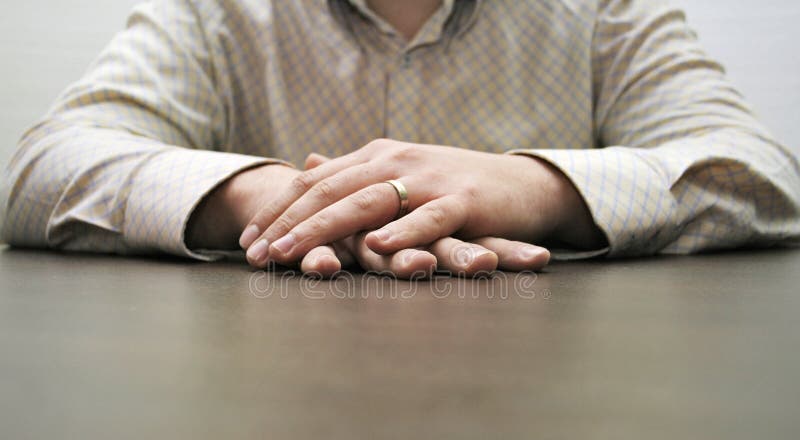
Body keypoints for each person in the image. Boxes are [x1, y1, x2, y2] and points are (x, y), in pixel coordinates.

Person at [2, 0, 799, 279]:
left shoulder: (599, 10)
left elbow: (762, 173)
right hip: (273, 398)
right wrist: (286, 202)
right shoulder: (217, 12)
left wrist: (530, 188)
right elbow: (41, 168)